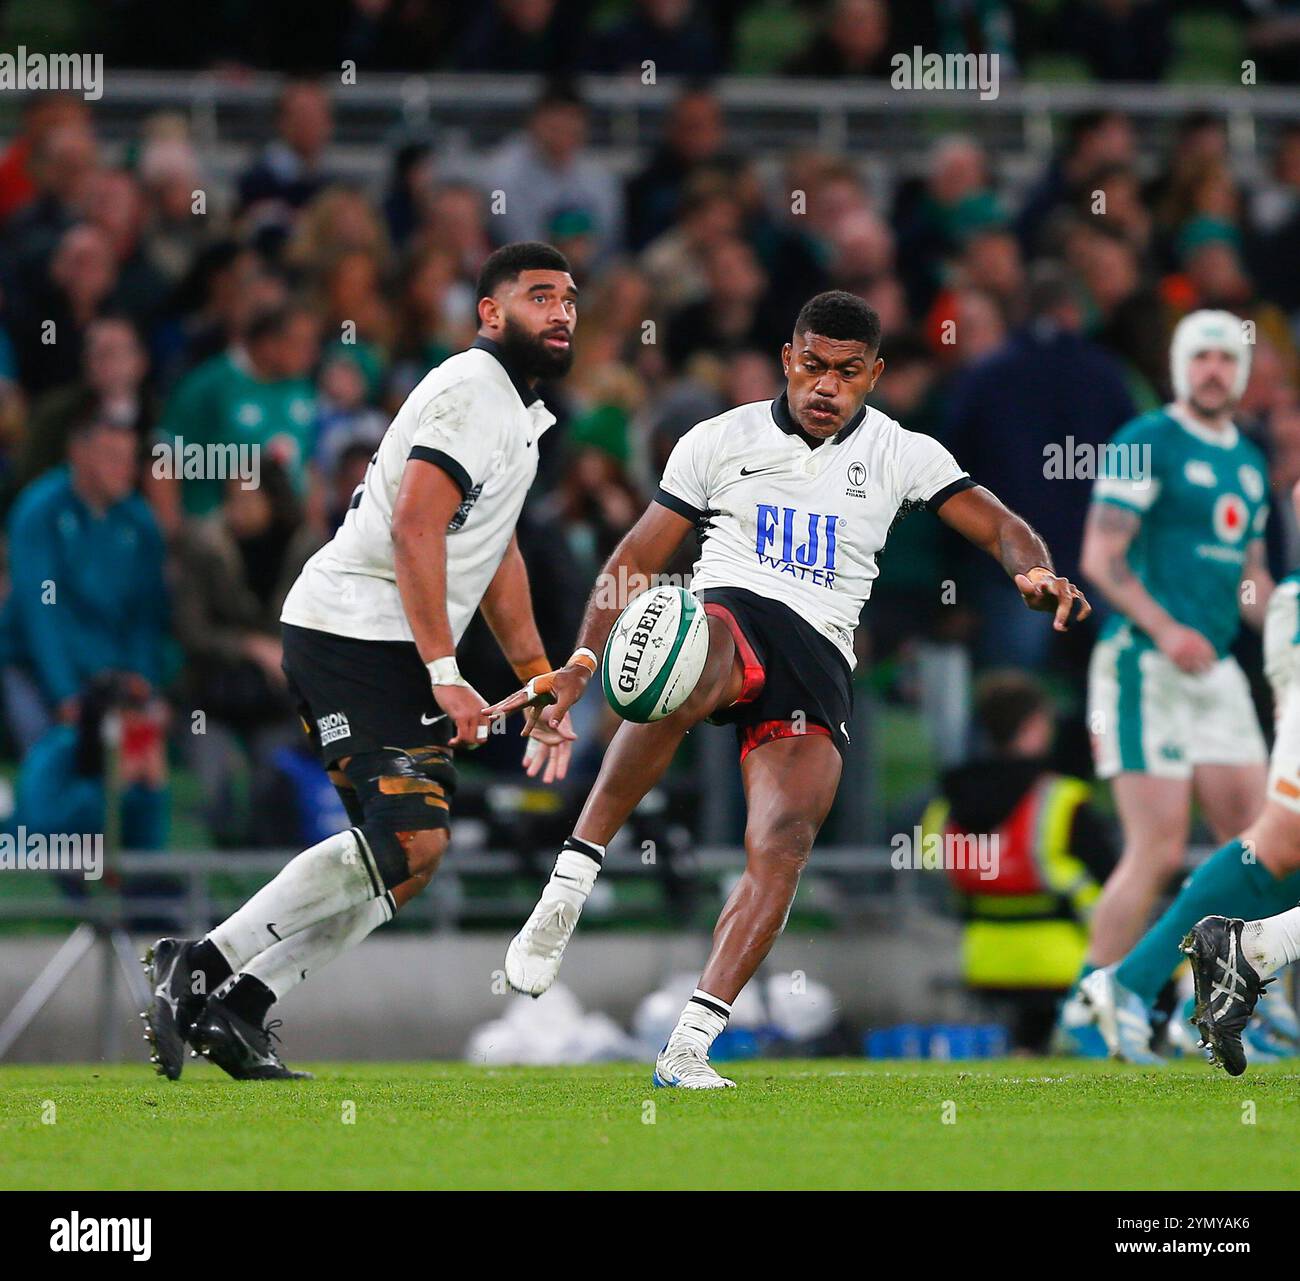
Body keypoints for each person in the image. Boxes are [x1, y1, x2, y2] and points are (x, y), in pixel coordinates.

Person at [493, 291, 1091, 1088]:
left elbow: (998, 523)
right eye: (813, 365)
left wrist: (1034, 568)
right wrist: (578, 663)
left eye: (847, 372)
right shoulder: (718, 439)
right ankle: (572, 877)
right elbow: (638, 551)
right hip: (730, 607)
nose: (826, 385)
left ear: (873, 375)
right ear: (787, 358)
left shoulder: (903, 452)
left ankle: (690, 1044)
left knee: (782, 845)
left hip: (820, 654)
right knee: (681, 659)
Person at [142, 242, 582, 1081]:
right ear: (490, 313)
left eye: (568, 299)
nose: (561, 312)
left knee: (412, 855)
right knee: (408, 834)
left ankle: (239, 1003)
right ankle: (199, 962)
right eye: (538, 297)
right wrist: (449, 671)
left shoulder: (518, 414)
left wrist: (536, 680)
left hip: (387, 642)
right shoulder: (471, 392)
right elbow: (416, 527)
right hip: (350, 631)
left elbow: (494, 552)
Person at [1075, 310, 1275, 1059]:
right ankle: (1091, 999)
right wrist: (1164, 628)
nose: (1214, 370)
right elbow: (1101, 556)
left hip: (1216, 668)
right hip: (1143, 662)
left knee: (1257, 849)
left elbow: (1249, 579)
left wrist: (1281, 621)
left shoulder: (1249, 462)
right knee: (1156, 845)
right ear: (1179, 365)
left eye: (1227, 359)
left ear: (1243, 371)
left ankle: (1233, 1004)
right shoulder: (1141, 441)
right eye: (1202, 358)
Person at [1084, 494, 1300, 1066]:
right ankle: (1143, 982)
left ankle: (1223, 974)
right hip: (1169, 661)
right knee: (1238, 841)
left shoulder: (1244, 464)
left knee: (1278, 847)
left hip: (1270, 632)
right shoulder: (1154, 440)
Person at [921, 672, 1116, 1054]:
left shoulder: (947, 802)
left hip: (980, 959)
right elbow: (1112, 884)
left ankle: (1023, 1048)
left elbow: (930, 870)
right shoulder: (1062, 799)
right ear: (1035, 725)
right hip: (1066, 962)